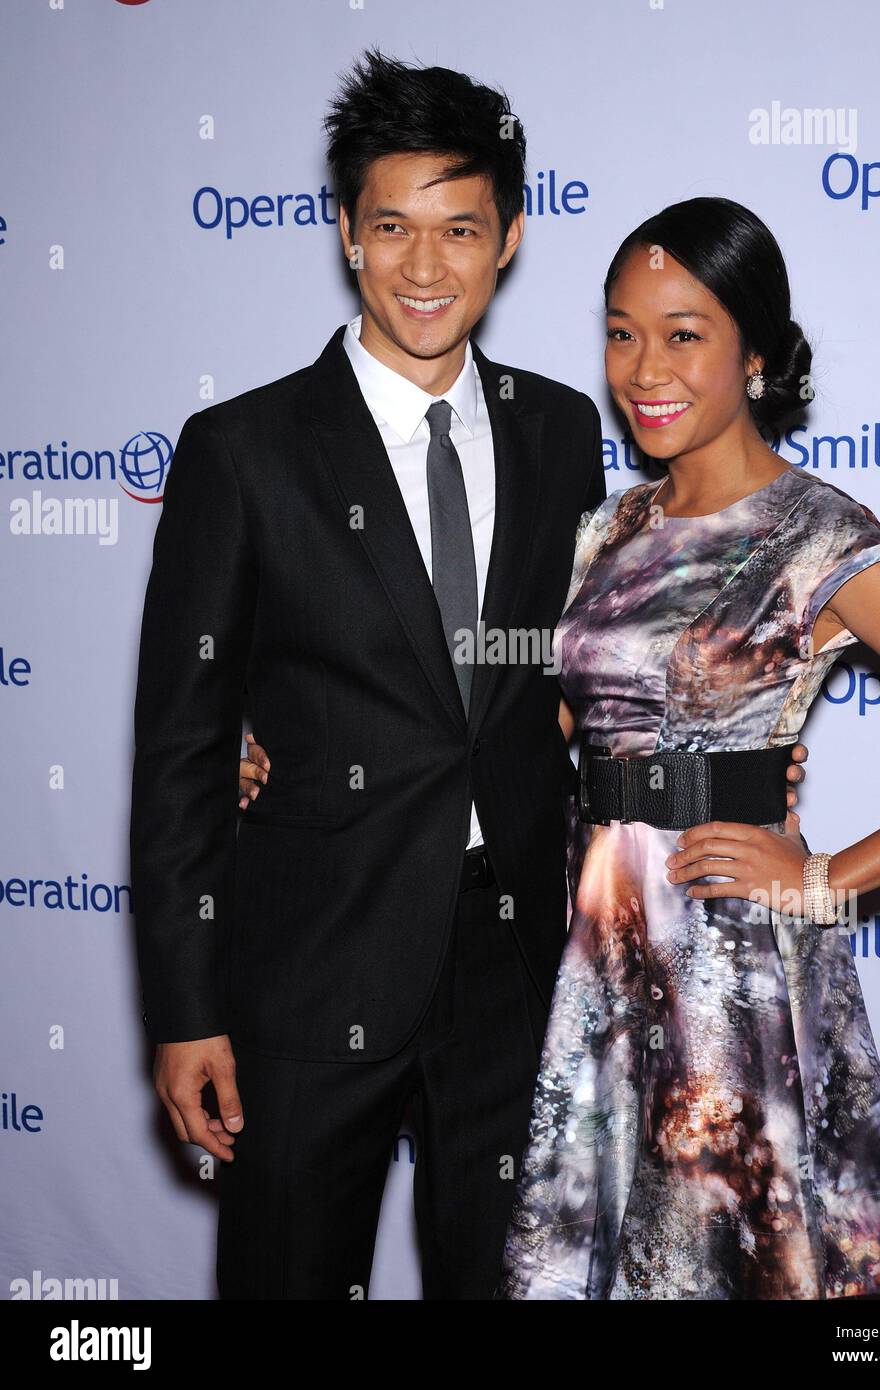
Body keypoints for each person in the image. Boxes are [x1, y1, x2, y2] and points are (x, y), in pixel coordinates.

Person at [127, 47, 812, 1301]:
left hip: (516, 974)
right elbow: (178, 745)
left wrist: (725, 749)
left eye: (460, 228)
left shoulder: (562, 430)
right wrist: (183, 1009)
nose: (425, 266)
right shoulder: (244, 450)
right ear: (344, 233)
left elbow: (598, 661)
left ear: (506, 240)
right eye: (393, 227)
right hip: (311, 959)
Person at [485, 197, 880, 1300]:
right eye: (622, 330)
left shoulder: (818, 533)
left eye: (685, 333)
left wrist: (826, 876)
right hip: (595, 953)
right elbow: (557, 731)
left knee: (728, 1255)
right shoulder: (608, 527)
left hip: (728, 964)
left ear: (757, 354)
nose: (644, 366)